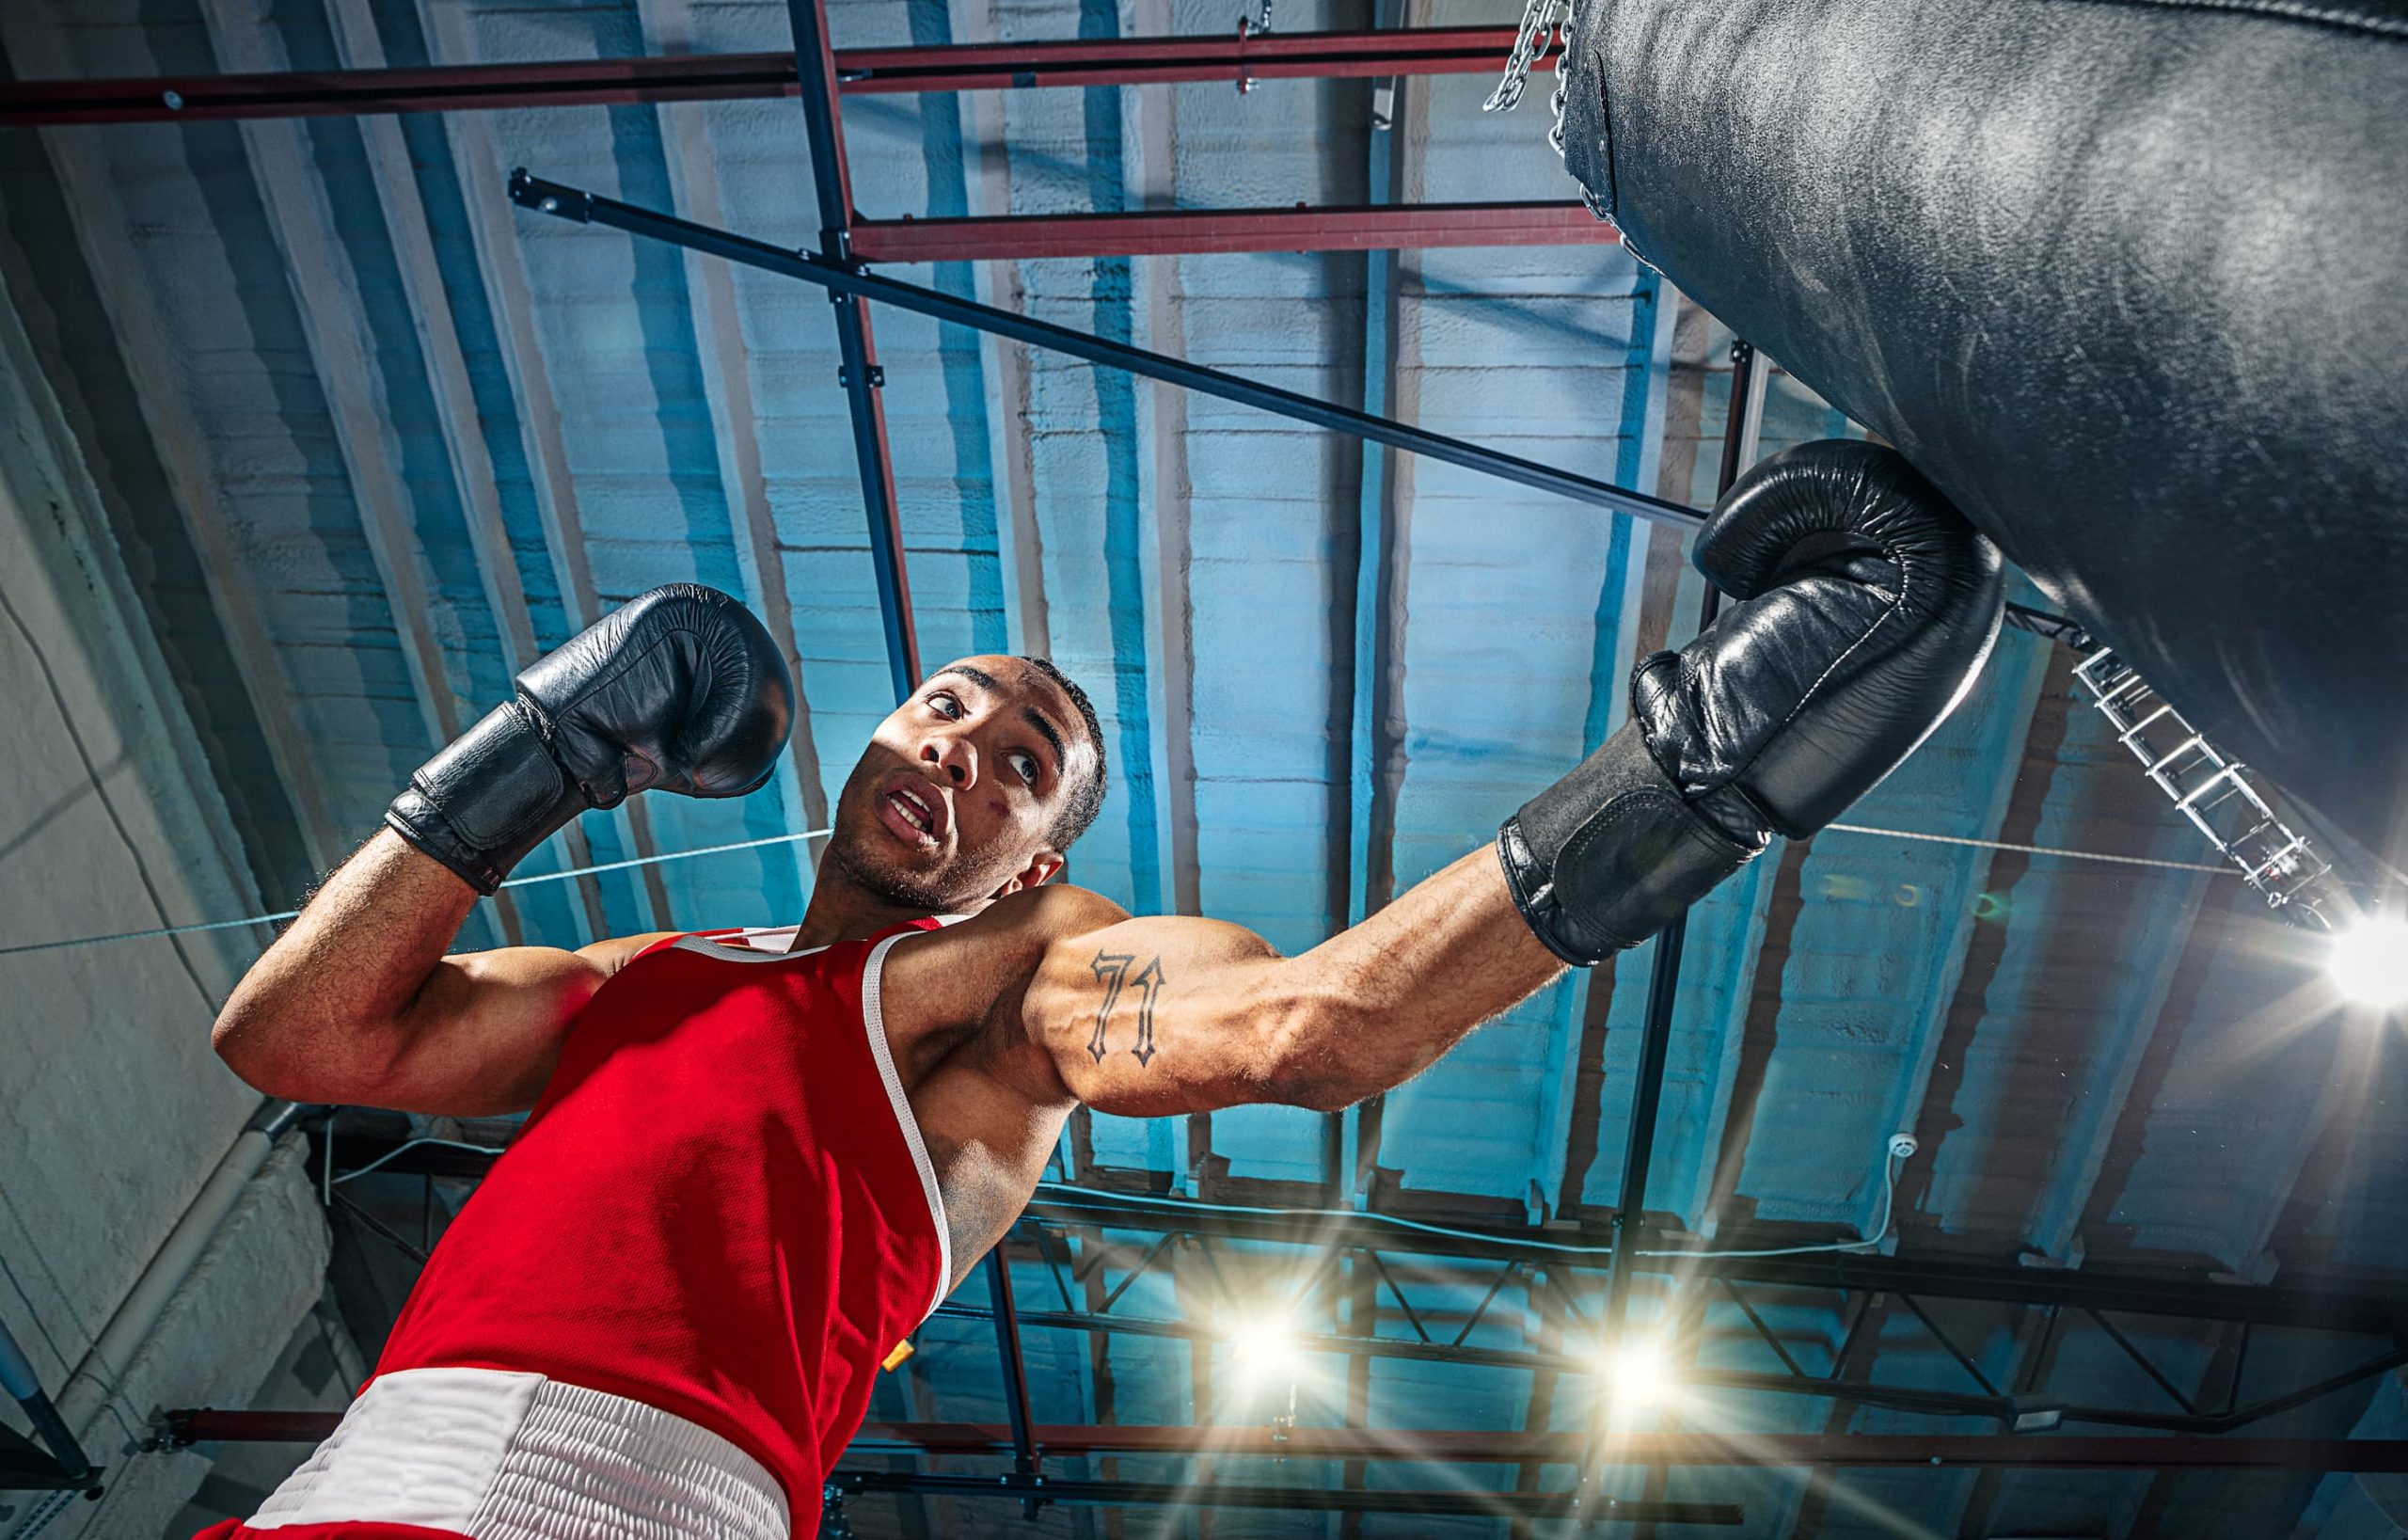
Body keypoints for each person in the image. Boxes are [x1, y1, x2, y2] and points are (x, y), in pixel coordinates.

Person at [200, 439, 2001, 1540]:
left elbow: (1322, 1023)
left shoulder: (1009, 991)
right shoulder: (640, 972)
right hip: (364, 1466)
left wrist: (1715, 760)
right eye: (947, 707)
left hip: (635, 1497)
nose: (964, 747)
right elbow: (293, 1035)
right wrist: (543, 746)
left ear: (1036, 861)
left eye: (1022, 760)